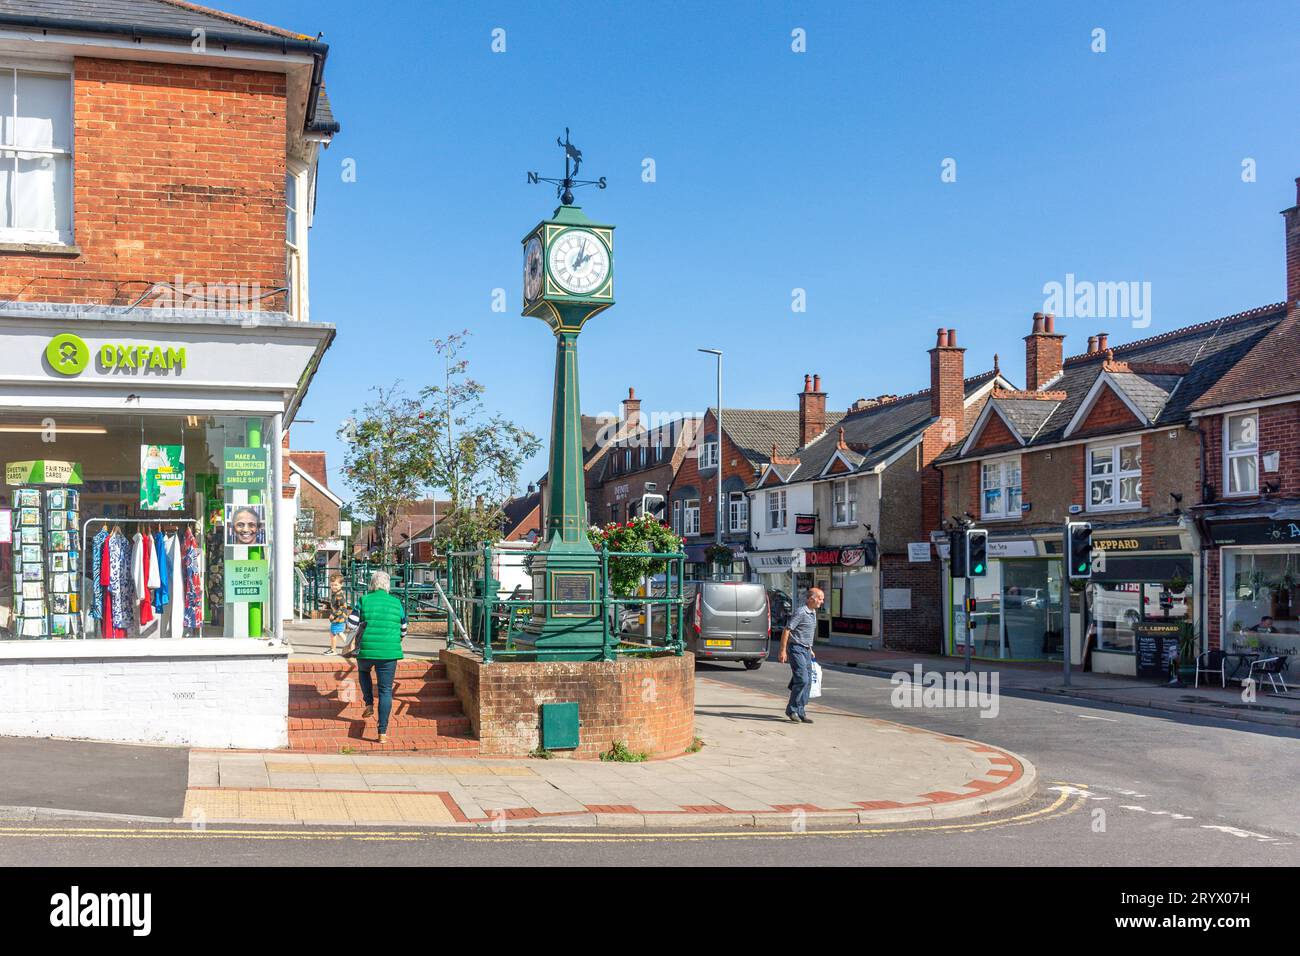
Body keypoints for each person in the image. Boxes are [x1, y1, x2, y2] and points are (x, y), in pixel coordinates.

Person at [345, 570, 408, 744]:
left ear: (372, 584)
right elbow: (404, 630)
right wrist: (394, 640)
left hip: (366, 650)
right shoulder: (397, 603)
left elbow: (351, 624)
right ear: (387, 585)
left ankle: (369, 703)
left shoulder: (364, 600)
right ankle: (382, 733)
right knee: (386, 690)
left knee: (364, 671)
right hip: (389, 652)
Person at [778, 587, 823, 723]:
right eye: (820, 598)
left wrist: (810, 648)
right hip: (796, 649)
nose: (822, 601)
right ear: (811, 599)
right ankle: (791, 710)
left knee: (807, 681)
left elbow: (805, 633)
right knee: (802, 679)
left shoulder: (813, 612)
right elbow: (787, 630)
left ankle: (801, 711)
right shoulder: (801, 612)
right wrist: (782, 650)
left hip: (806, 650)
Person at [326, 572, 349, 655]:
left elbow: (343, 607)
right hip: (338, 618)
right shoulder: (335, 594)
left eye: (336, 585)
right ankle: (350, 646)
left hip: (339, 618)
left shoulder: (339, 595)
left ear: (341, 585)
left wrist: (334, 614)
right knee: (337, 633)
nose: (333, 587)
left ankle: (334, 650)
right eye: (332, 585)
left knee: (335, 633)